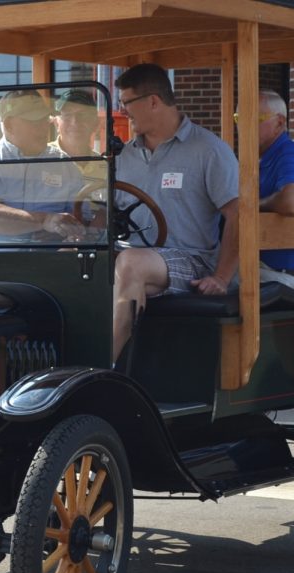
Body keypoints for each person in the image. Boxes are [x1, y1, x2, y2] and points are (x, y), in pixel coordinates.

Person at [112, 63, 240, 363]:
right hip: (132, 253)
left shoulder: (209, 150)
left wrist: (221, 277)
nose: (123, 111)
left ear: (153, 101)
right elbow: (108, 212)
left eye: (126, 103)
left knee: (130, 264)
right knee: (75, 260)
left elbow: (239, 215)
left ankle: (105, 372)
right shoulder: (125, 156)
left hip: (191, 260)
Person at [0, 90, 85, 244]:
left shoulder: (64, 164)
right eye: (35, 121)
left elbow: (82, 220)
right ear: (9, 125)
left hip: (49, 262)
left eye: (45, 118)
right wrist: (46, 221)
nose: (44, 126)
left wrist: (64, 232)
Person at [252, 90, 294, 292]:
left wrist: (253, 205)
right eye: (238, 118)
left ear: (279, 123)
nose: (242, 125)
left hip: (284, 276)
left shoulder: (287, 154)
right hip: (266, 271)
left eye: (253, 118)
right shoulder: (258, 158)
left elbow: (293, 202)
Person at [49, 89, 106, 187]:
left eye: (82, 115)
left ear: (95, 124)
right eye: (67, 115)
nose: (75, 122)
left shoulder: (105, 167)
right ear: (56, 124)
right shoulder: (41, 159)